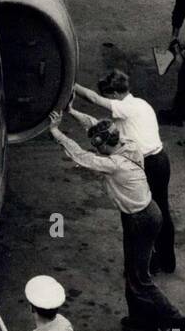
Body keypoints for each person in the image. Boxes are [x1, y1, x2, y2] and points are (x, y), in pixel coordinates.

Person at [48, 111, 185, 331]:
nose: (97, 151)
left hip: (141, 219)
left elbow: (80, 156)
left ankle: (178, 320)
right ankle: (140, 317)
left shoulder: (115, 164)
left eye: (97, 147)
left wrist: (56, 132)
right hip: (142, 214)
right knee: (132, 271)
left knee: (142, 278)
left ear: (103, 146)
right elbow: (95, 123)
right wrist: (72, 111)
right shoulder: (128, 144)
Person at [74, 70, 174, 273]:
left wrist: (70, 84)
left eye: (108, 96)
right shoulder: (141, 105)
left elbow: (93, 99)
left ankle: (149, 264)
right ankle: (167, 260)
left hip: (148, 165)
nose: (107, 101)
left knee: (143, 214)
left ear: (114, 94)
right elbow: (99, 124)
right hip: (161, 159)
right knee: (162, 209)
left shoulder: (125, 108)